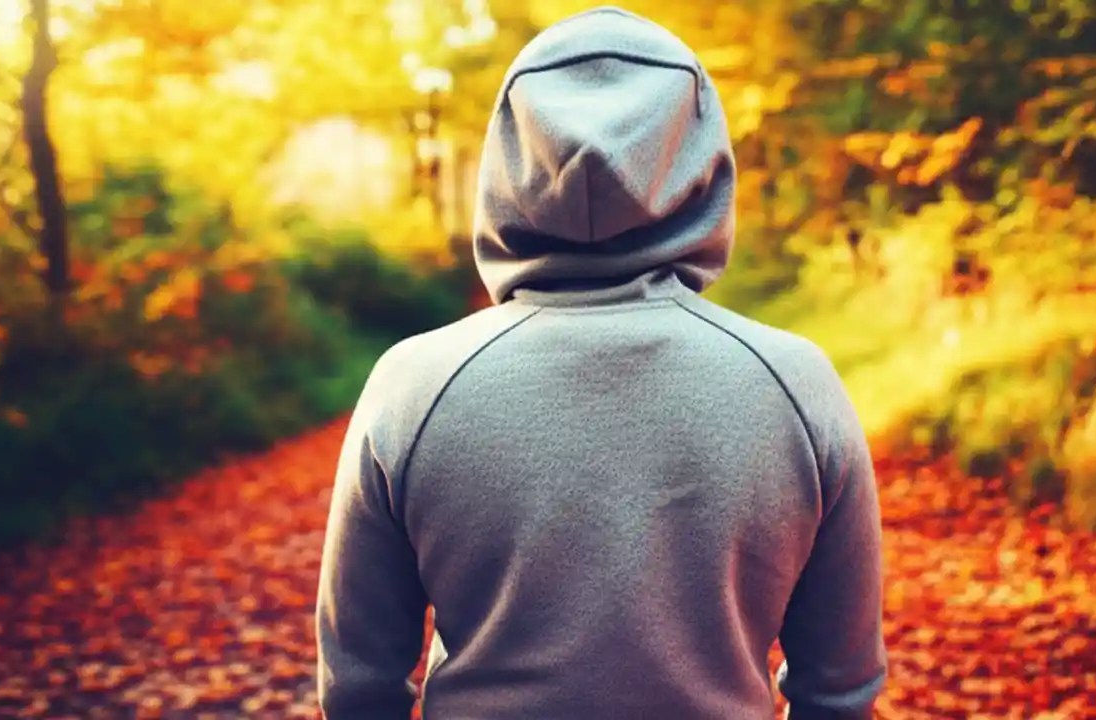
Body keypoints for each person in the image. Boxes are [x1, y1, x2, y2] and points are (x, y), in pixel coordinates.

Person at [315, 6, 887, 719]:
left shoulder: (414, 386)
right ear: (700, 162)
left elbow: (358, 685)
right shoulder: (795, 386)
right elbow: (840, 687)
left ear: (508, 165)